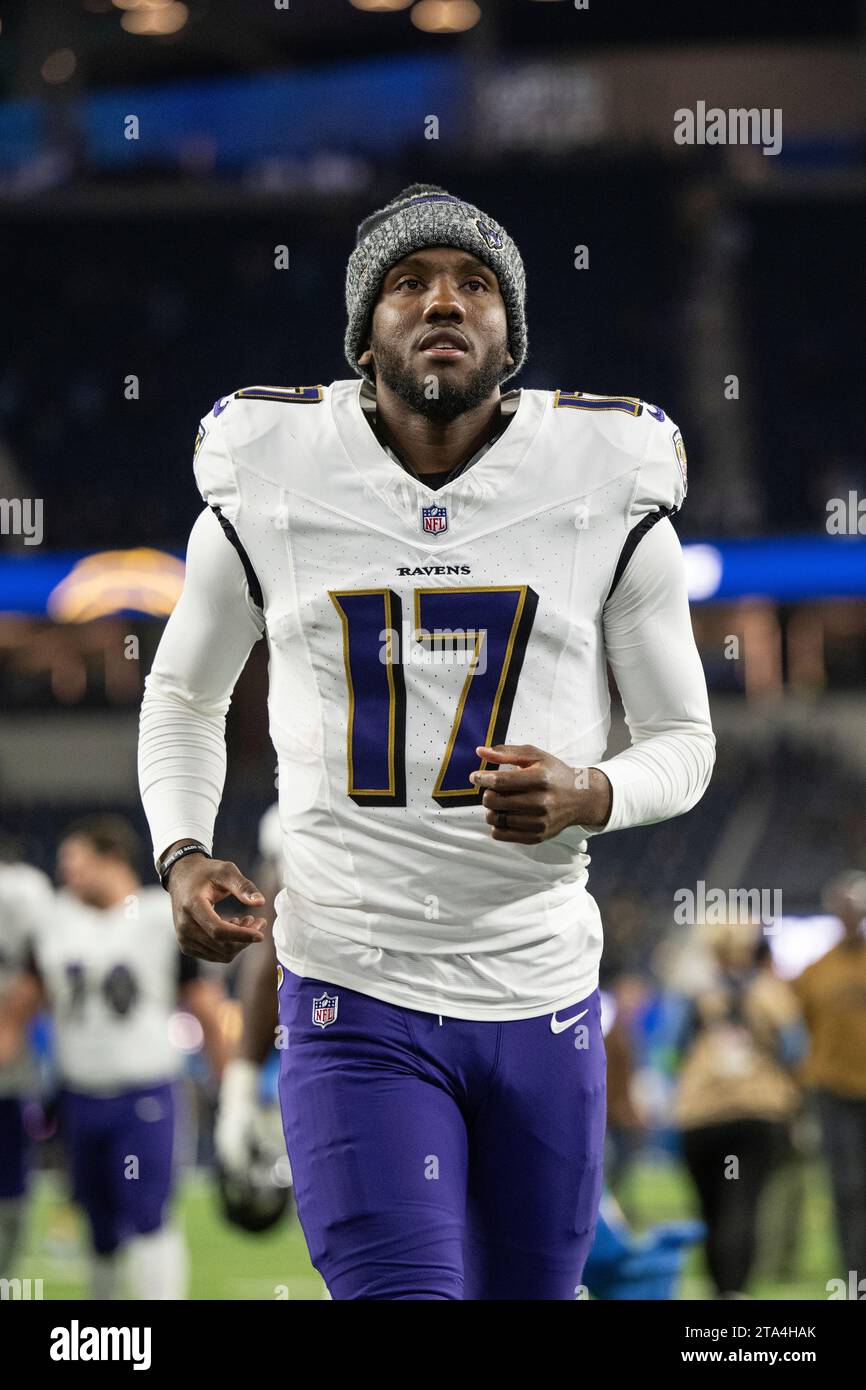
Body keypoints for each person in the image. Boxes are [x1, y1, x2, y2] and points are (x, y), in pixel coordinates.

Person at [138, 182, 715, 1300]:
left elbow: (685, 740)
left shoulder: (601, 482)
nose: (442, 300)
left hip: (541, 986)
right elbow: (182, 697)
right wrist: (182, 849)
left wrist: (590, 789)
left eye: (473, 284)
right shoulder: (272, 477)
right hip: (353, 987)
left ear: (512, 336)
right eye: (408, 283)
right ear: (364, 337)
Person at [0, 815, 227, 1298]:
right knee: (97, 1226)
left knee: (148, 1217)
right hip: (79, 1096)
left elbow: (205, 1008)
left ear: (111, 859)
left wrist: (228, 1083)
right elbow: (19, 1009)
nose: (68, 875)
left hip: (145, 1093)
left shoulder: (157, 915)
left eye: (76, 863)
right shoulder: (54, 923)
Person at [672, 920, 804, 1297]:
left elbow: (670, 1052)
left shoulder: (694, 996)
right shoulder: (771, 993)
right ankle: (735, 1289)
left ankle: (718, 1286)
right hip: (756, 1113)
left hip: (701, 1117)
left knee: (711, 1208)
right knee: (742, 1201)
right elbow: (796, 1051)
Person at [791, 870, 866, 1281]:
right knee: (847, 1188)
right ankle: (855, 1275)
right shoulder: (817, 970)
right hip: (835, 1092)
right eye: (845, 906)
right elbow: (797, 1028)